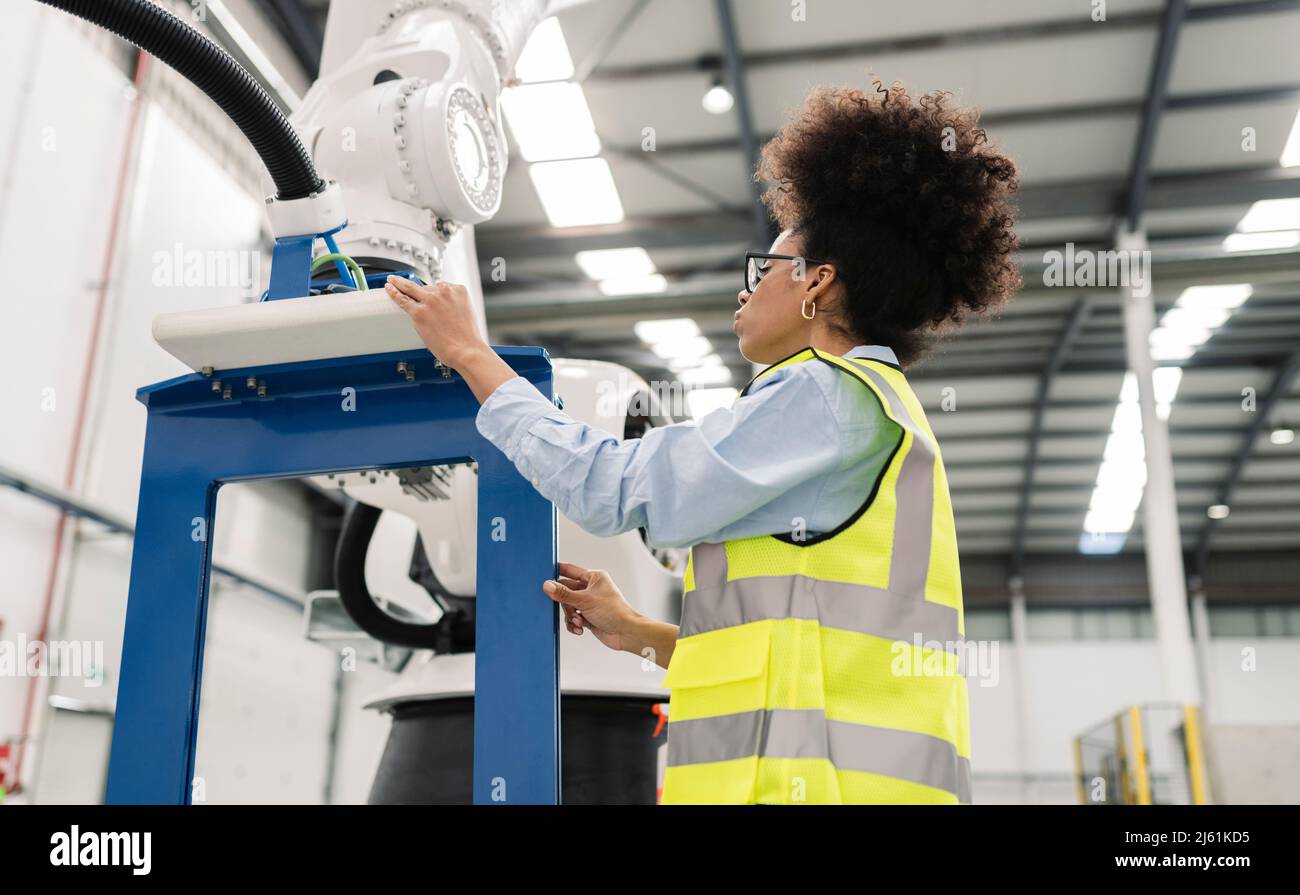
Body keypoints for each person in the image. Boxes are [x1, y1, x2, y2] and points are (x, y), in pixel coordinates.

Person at [384, 81, 1019, 804]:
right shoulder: (871, 411)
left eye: (764, 269)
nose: (744, 293)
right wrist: (642, 632)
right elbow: (786, 662)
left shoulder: (824, 394)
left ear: (818, 283)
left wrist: (472, 355)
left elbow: (610, 487)